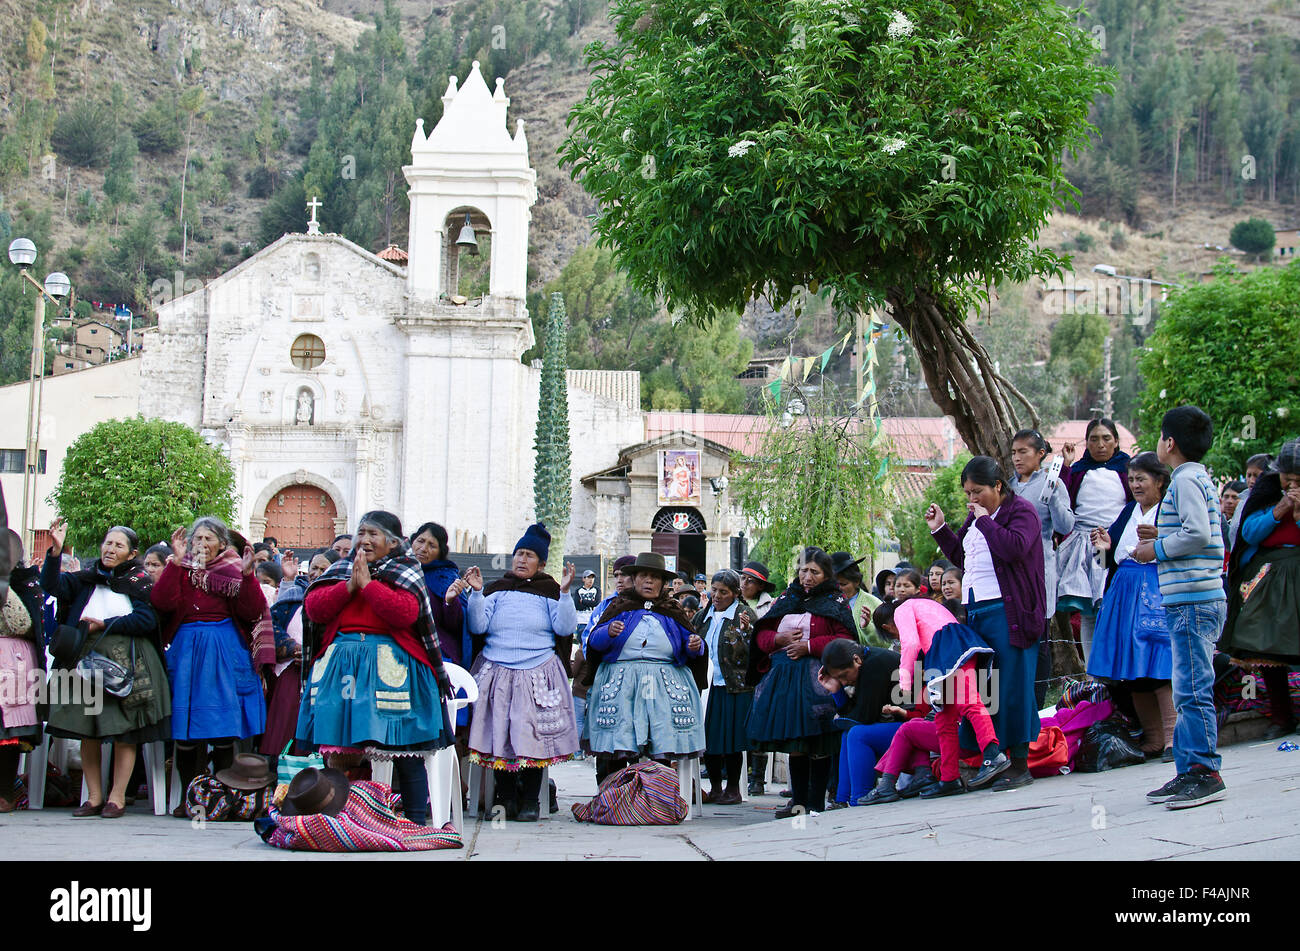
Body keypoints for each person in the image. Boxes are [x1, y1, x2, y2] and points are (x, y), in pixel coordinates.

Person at [296, 511, 454, 826]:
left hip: (393, 670)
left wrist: (369, 586)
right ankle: (336, 820)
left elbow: (404, 614)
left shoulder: (406, 571)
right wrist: (350, 586)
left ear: (393, 542)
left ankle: (414, 823)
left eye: (374, 534)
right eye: (362, 532)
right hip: (343, 669)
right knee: (338, 750)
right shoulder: (342, 569)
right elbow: (314, 609)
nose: (365, 540)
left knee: (405, 750)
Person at [926, 455, 1045, 791]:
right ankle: (994, 758)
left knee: (1014, 686)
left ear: (997, 486)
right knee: (986, 689)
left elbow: (1015, 549)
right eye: (967, 493)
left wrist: (986, 522)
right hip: (978, 611)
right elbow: (963, 557)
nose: (972, 499)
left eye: (978, 491)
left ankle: (1020, 764)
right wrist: (940, 529)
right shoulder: (976, 518)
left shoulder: (1021, 512)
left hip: (1011, 614)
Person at [43, 520, 171, 818]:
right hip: (85, 664)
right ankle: (94, 796)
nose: (110, 549)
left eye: (118, 545)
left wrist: (106, 625)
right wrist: (56, 551)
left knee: (124, 732)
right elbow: (51, 585)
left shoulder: (138, 582)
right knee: (87, 730)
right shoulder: (86, 578)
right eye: (107, 543)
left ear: (131, 553)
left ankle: (117, 797)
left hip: (127, 664)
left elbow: (146, 621)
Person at [152, 516, 273, 817]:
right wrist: (175, 564)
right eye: (197, 539)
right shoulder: (181, 567)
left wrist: (247, 578)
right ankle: (190, 798)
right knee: (186, 733)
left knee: (222, 731)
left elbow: (252, 610)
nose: (202, 544)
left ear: (221, 543)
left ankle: (220, 799)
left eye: (208, 539)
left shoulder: (233, 570)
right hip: (186, 653)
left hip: (223, 650)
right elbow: (162, 602)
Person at [1139, 406, 1228, 810]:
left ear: (1169, 443)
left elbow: (1199, 534)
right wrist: (1163, 534)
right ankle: (1188, 768)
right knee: (1187, 689)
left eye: (1160, 435)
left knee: (1193, 689)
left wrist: (1154, 549)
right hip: (1190, 599)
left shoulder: (1185, 480)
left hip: (1193, 600)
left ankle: (1206, 773)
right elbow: (1200, 533)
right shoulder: (1194, 479)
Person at [465, 522, 580, 822]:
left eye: (529, 555)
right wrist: (476, 595)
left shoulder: (550, 593)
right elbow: (477, 626)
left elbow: (565, 628)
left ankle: (530, 800)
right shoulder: (496, 590)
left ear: (541, 564)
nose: (521, 560)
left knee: (534, 736)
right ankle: (504, 800)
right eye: (518, 554)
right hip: (498, 671)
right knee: (501, 735)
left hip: (537, 672)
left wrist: (566, 593)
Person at [745, 547, 856, 818]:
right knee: (796, 744)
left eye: (814, 572)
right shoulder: (787, 598)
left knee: (816, 742)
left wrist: (809, 646)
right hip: (784, 680)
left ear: (826, 574)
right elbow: (762, 635)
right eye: (803, 570)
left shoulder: (834, 602)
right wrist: (778, 640)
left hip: (817, 679)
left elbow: (845, 639)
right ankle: (798, 802)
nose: (807, 577)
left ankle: (816, 803)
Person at [584, 553, 707, 781]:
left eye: (655, 577)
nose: (649, 581)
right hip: (622, 683)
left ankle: (657, 794)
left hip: (662, 686)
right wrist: (608, 633)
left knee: (660, 738)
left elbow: (692, 647)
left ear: (663, 583)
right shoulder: (619, 607)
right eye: (644, 576)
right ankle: (617, 795)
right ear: (635, 579)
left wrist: (695, 645)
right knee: (620, 738)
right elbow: (594, 643)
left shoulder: (672, 610)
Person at [866, 597, 1006, 798]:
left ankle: (992, 755)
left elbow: (911, 643)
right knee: (944, 717)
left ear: (888, 627)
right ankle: (949, 778)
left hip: (949, 648)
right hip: (948, 649)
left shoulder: (902, 610)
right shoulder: (922, 604)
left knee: (968, 701)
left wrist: (904, 680)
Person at [1087, 451, 1176, 760]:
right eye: (1132, 479)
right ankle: (1151, 738)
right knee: (1132, 670)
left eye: (1142, 479)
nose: (1136, 485)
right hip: (1124, 594)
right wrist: (1102, 548)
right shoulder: (1128, 512)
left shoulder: (1170, 511)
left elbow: (1182, 546)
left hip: (1156, 594)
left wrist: (1161, 538)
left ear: (1160, 481)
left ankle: (1172, 737)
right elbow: (1104, 562)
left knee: (1159, 666)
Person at [1221, 438, 1300, 741]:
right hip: (1268, 577)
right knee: (1264, 644)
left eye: (1297, 479)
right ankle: (1282, 717)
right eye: (1287, 478)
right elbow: (1249, 533)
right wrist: (1280, 509)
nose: (1291, 483)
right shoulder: (1267, 491)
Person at [1057, 419, 1132, 664]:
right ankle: (1091, 670)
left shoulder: (1127, 470)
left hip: (1113, 545)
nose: (1100, 445)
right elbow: (1063, 498)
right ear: (1086, 443)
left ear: (1116, 441)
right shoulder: (1079, 471)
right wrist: (1066, 465)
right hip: (1084, 545)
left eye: (1106, 438)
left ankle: (1115, 668)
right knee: (1089, 611)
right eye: (1094, 439)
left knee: (1110, 605)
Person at [1010, 428, 1076, 707]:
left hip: (1041, 569)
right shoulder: (1009, 485)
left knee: (1040, 633)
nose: (1017, 458)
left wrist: (1054, 494)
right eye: (1013, 452)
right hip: (1011, 571)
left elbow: (1066, 526)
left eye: (1023, 451)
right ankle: (1016, 700)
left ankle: (1036, 702)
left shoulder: (1052, 483)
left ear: (1040, 454)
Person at [816, 637, 922, 806]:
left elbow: (862, 718)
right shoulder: (867, 661)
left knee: (858, 734)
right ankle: (842, 800)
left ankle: (858, 799)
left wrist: (840, 696)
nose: (844, 682)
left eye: (843, 676)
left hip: (919, 724)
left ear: (856, 660)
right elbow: (856, 716)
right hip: (906, 725)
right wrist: (836, 691)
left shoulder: (875, 665)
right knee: (849, 733)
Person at [261, 549, 339, 777]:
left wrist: (311, 654)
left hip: (323, 678)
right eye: (313, 567)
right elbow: (271, 626)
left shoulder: (341, 602)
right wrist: (292, 648)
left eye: (323, 569)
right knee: (283, 730)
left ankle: (312, 786)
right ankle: (280, 783)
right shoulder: (294, 599)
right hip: (289, 676)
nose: (316, 573)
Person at [692, 569, 758, 804]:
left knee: (731, 740)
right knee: (708, 739)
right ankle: (715, 787)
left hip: (733, 686)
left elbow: (755, 652)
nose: (717, 596)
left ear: (735, 594)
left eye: (724, 592)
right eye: (715, 590)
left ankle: (733, 787)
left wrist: (746, 631)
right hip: (706, 687)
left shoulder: (745, 615)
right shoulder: (703, 616)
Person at [0, 531, 47, 812]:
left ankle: (5, 791)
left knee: (7, 732)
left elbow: (22, 622)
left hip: (12, 662)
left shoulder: (24, 582)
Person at [408, 522, 470, 667]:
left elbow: (456, 625)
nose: (423, 549)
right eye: (421, 541)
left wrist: (450, 601)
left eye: (432, 545)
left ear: (440, 552)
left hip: (436, 651)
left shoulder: (446, 577)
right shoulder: (399, 571)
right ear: (412, 541)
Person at [831, 551, 884, 648]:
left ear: (856, 581)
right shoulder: (826, 603)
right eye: (835, 584)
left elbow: (884, 643)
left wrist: (867, 628)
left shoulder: (873, 604)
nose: (839, 588)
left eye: (843, 584)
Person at [1219, 480, 1246, 555]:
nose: (1229, 501)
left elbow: (1230, 544)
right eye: (1226, 497)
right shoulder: (1214, 519)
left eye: (1234, 497)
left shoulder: (1246, 523)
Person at [574, 570, 601, 643]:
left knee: (593, 642)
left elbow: (596, 603)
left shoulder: (597, 590)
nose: (591, 580)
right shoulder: (578, 591)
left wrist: (583, 601)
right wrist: (590, 602)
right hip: (581, 620)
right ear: (583, 579)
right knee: (582, 643)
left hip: (594, 620)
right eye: (588, 577)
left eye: (592, 578)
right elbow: (577, 606)